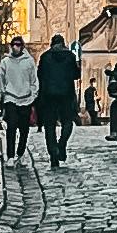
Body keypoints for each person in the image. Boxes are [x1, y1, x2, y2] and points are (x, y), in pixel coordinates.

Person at [34, 32, 80, 165]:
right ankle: (62, 144)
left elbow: (40, 76)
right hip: (66, 94)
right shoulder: (70, 56)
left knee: (49, 126)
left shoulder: (45, 57)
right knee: (67, 122)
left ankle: (53, 153)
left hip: (48, 96)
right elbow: (76, 74)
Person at [0, 39, 37, 163]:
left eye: (18, 45)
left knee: (24, 129)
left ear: (22, 46)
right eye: (13, 45)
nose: (15, 47)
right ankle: (11, 155)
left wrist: (33, 95)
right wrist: (0, 97)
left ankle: (21, 152)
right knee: (11, 127)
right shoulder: (5, 62)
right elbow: (0, 80)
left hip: (26, 99)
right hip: (10, 97)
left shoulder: (29, 62)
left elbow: (34, 80)